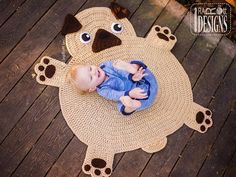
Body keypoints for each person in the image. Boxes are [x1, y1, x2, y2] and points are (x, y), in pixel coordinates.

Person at [67, 60, 158, 115]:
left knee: (133, 63)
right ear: (92, 88)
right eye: (91, 77)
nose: (94, 72)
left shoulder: (106, 65)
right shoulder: (103, 90)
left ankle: (132, 68)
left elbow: (119, 69)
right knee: (121, 105)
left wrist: (132, 76)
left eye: (90, 69)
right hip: (134, 93)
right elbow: (114, 94)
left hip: (139, 77)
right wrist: (129, 94)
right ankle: (131, 106)